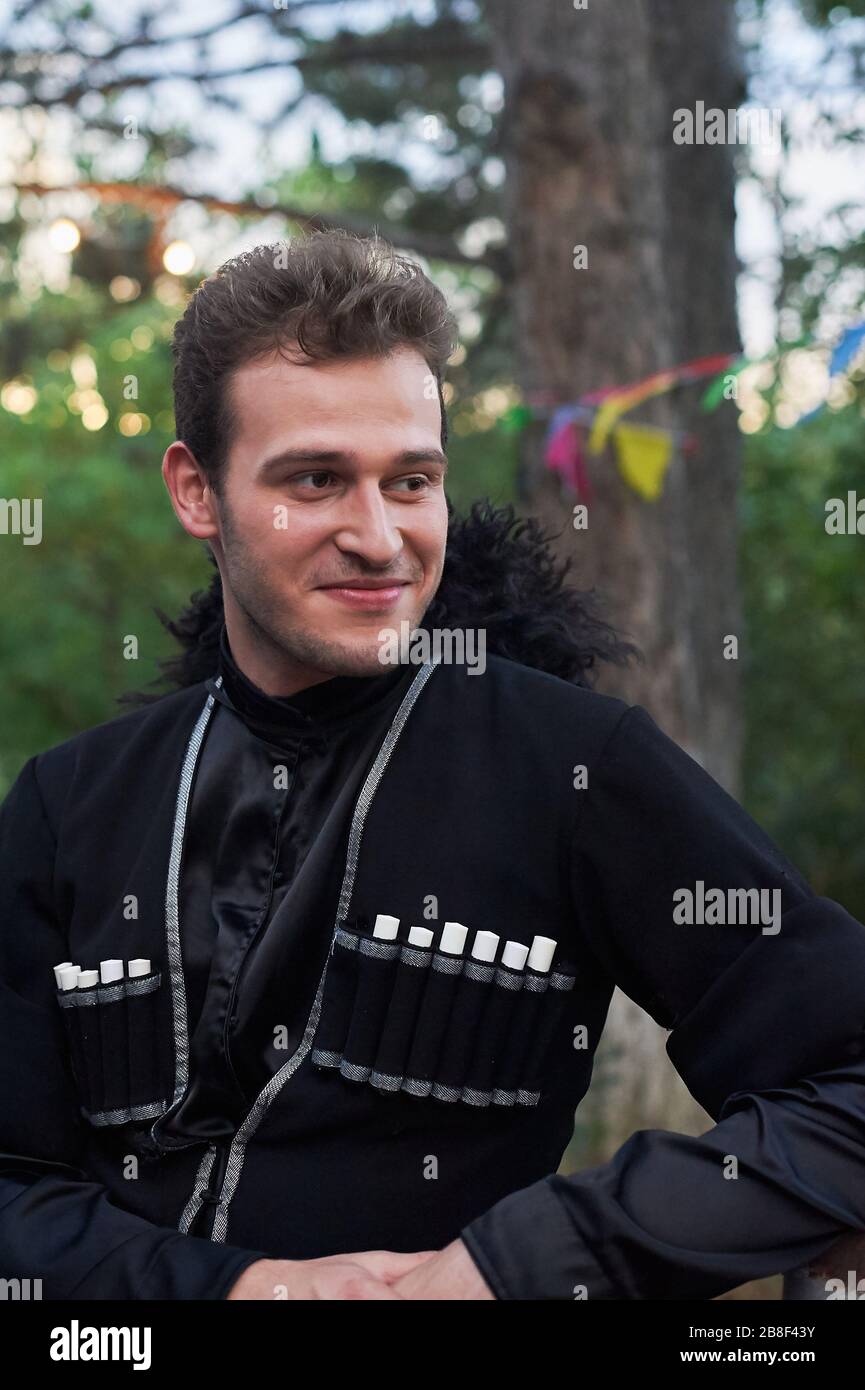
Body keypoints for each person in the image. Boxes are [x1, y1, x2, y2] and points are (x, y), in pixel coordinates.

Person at [1, 231, 863, 1302]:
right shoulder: (66, 804)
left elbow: (847, 1081)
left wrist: (521, 1266)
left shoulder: (575, 770)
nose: (379, 537)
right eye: (315, 480)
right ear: (196, 491)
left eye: (410, 481)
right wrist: (239, 1289)